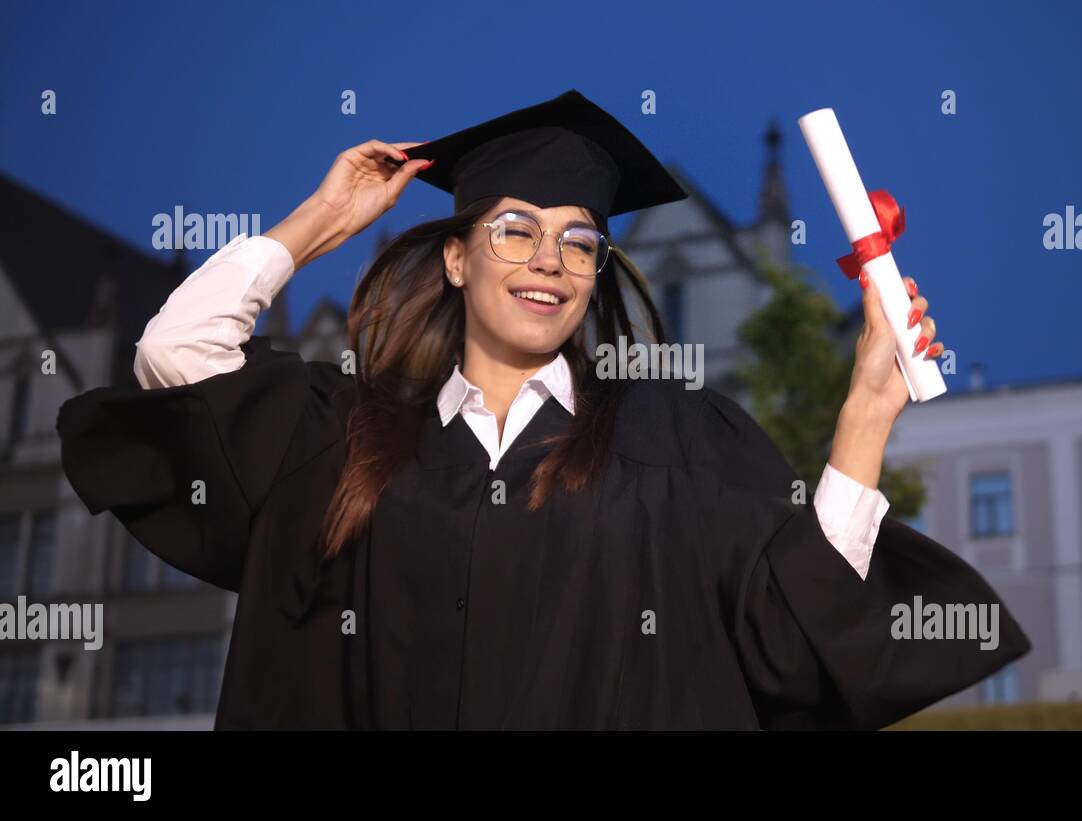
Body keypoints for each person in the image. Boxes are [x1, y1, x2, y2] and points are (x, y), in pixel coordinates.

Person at [57, 89, 1029, 729]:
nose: (549, 261)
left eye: (578, 241)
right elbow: (175, 355)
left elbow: (789, 633)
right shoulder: (352, 433)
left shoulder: (671, 437)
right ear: (455, 254)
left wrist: (864, 411)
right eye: (514, 229)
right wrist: (322, 221)